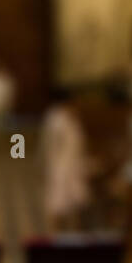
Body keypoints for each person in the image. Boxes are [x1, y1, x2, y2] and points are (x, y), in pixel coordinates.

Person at [41, 89, 91, 232]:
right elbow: (51, 145)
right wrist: (49, 167)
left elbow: (79, 143)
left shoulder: (73, 117)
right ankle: (55, 236)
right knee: (57, 203)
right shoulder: (55, 118)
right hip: (60, 166)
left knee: (76, 203)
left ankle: (74, 236)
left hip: (75, 165)